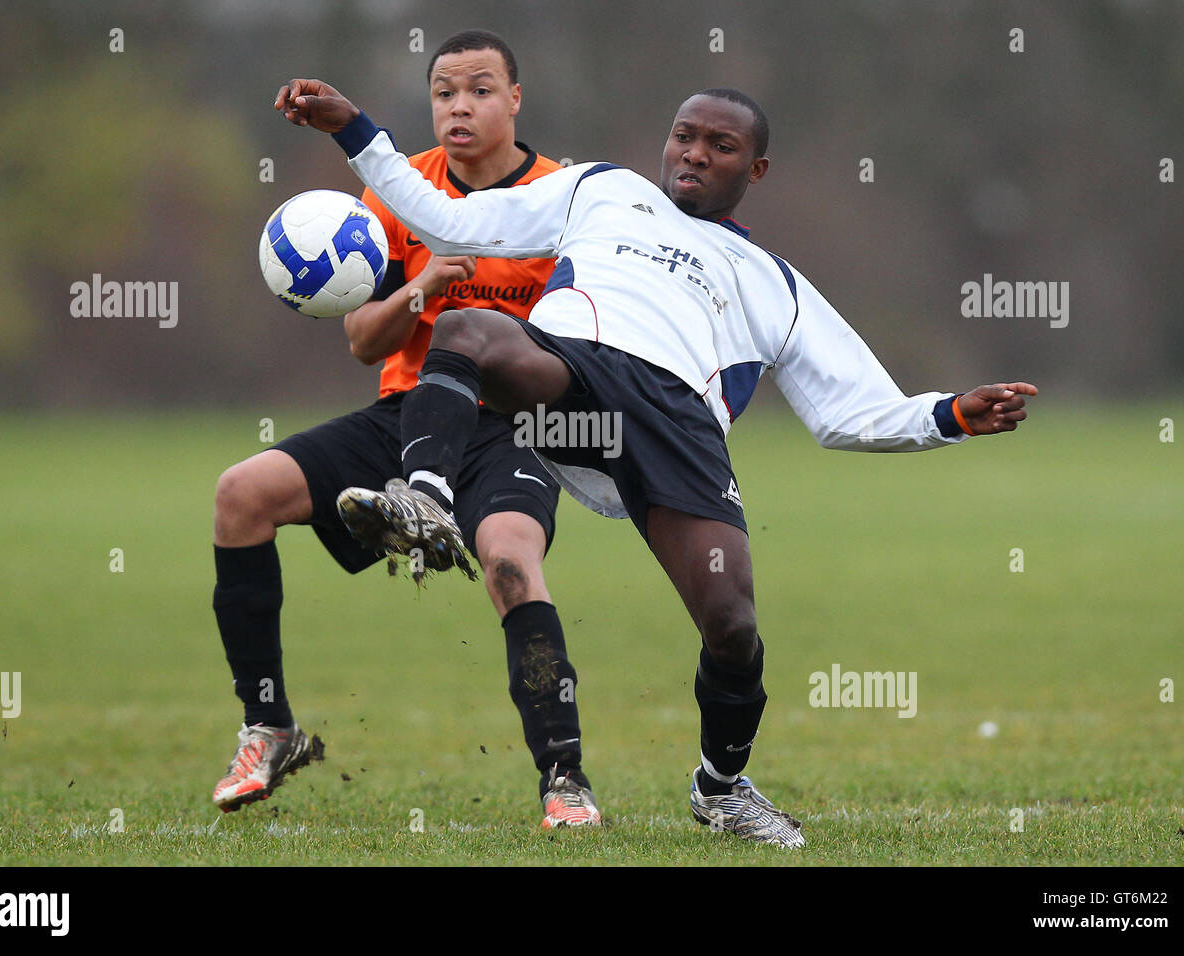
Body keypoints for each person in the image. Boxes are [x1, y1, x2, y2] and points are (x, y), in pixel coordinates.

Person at [275, 77, 1038, 848]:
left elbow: (851, 411)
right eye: (684, 135)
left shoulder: (777, 284)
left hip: (677, 428)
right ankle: (427, 498)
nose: (694, 153)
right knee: (470, 325)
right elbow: (447, 217)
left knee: (733, 626)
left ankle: (722, 787)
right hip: (575, 377)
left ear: (756, 170)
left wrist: (950, 415)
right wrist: (355, 130)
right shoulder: (600, 189)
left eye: (721, 145)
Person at [212, 30, 602, 830]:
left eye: (481, 90)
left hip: (509, 430)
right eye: (444, 92)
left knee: (508, 561)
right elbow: (364, 342)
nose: (460, 106)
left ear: (516, 99)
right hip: (405, 415)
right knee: (241, 495)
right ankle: (269, 726)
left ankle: (565, 780)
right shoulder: (400, 192)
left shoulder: (564, 199)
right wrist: (421, 286)